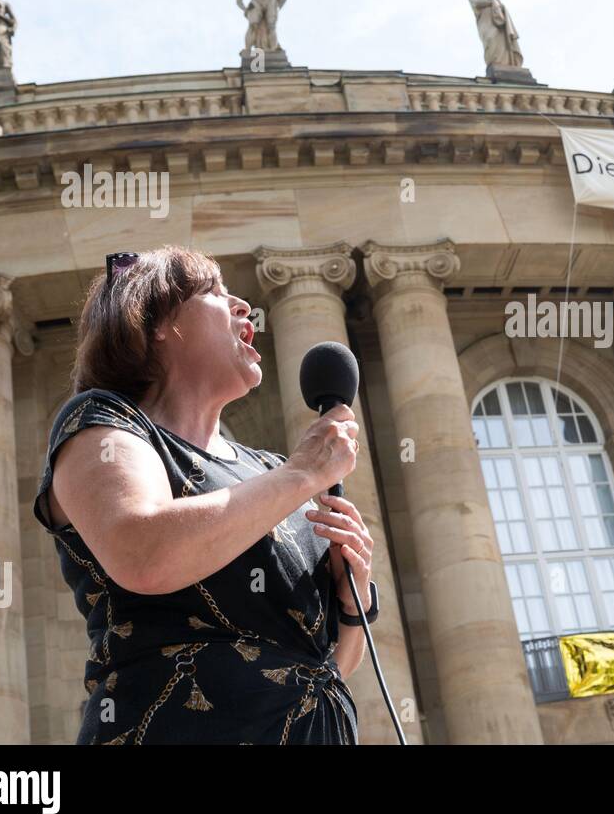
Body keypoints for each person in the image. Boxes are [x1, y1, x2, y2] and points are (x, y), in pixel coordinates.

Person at [32, 246, 376, 744]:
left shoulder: (270, 471)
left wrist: (350, 598)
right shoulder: (103, 423)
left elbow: (326, 666)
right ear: (153, 322)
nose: (242, 305)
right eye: (214, 291)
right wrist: (303, 473)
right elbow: (144, 554)